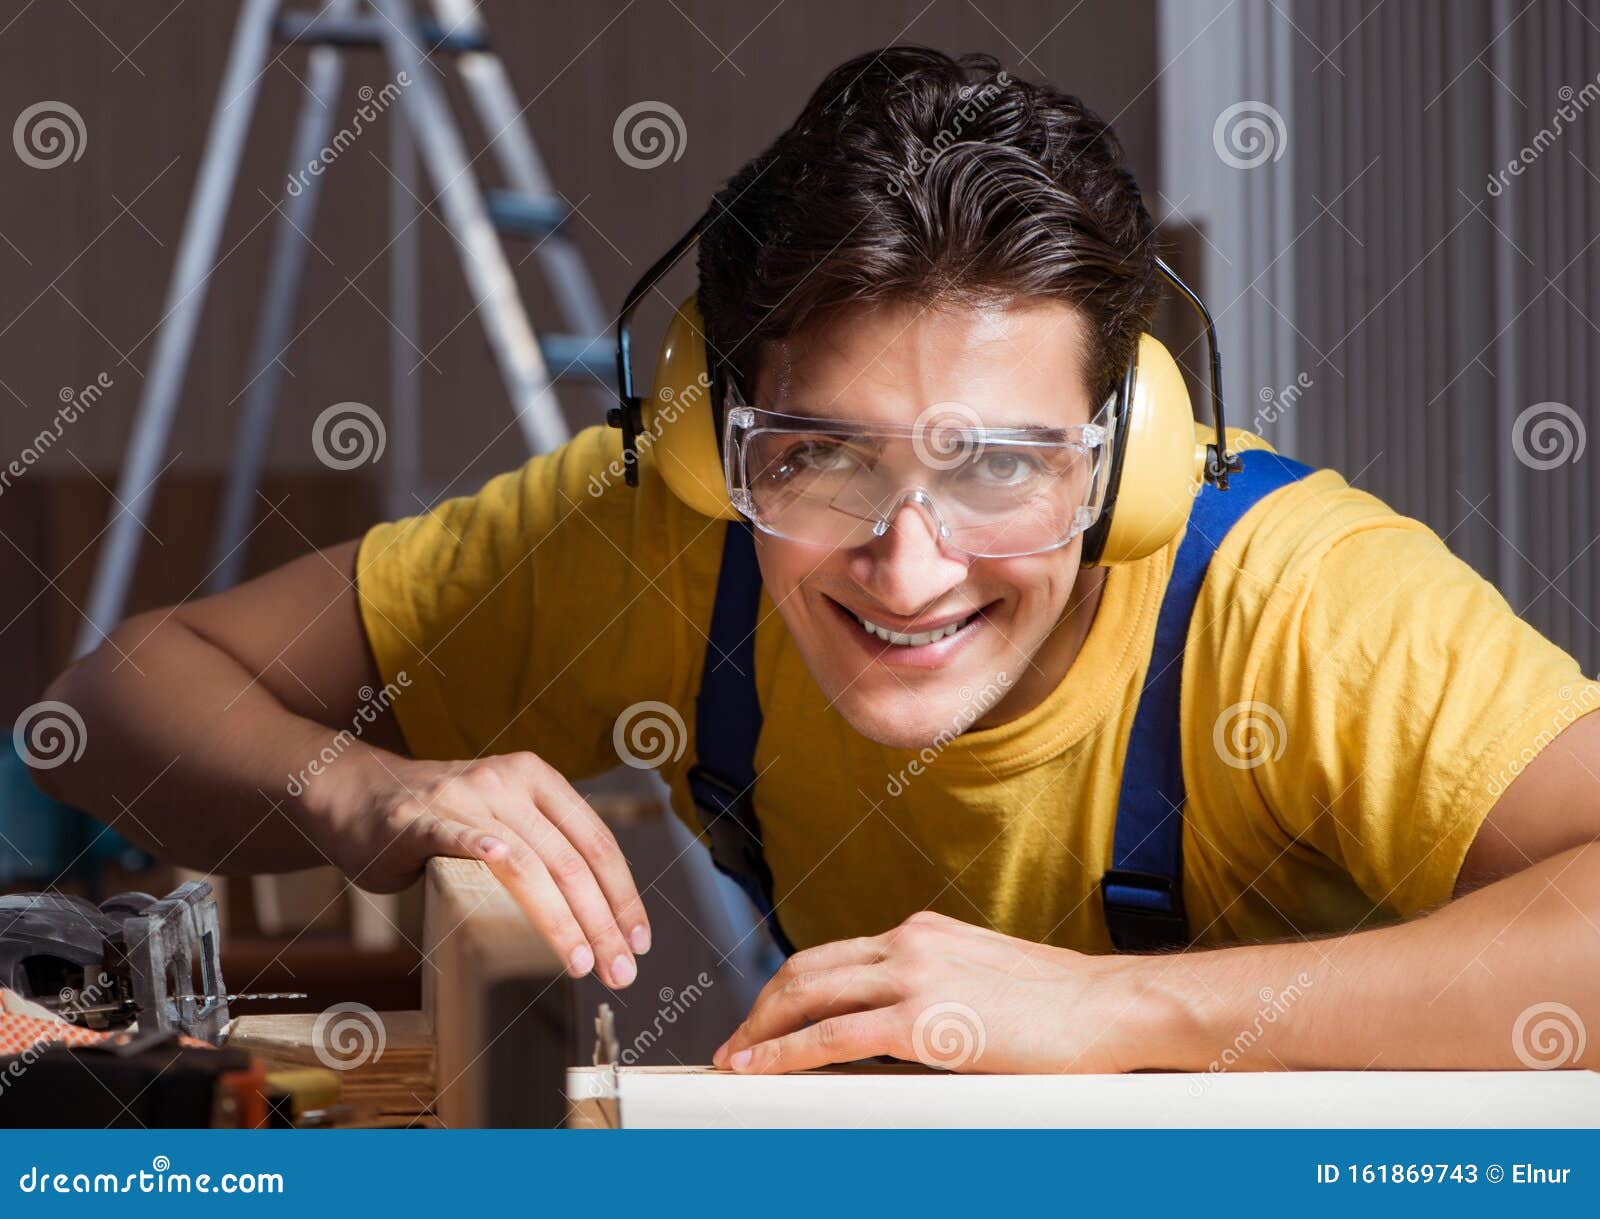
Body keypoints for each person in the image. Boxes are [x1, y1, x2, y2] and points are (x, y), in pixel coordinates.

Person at [39, 47, 1598, 1076]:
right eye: (822, 459)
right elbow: (104, 709)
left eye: (1002, 466)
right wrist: (366, 793)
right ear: (715, 445)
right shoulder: (658, 539)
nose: (909, 570)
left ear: (1122, 460)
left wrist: (1126, 1010)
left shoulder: (1300, 608)